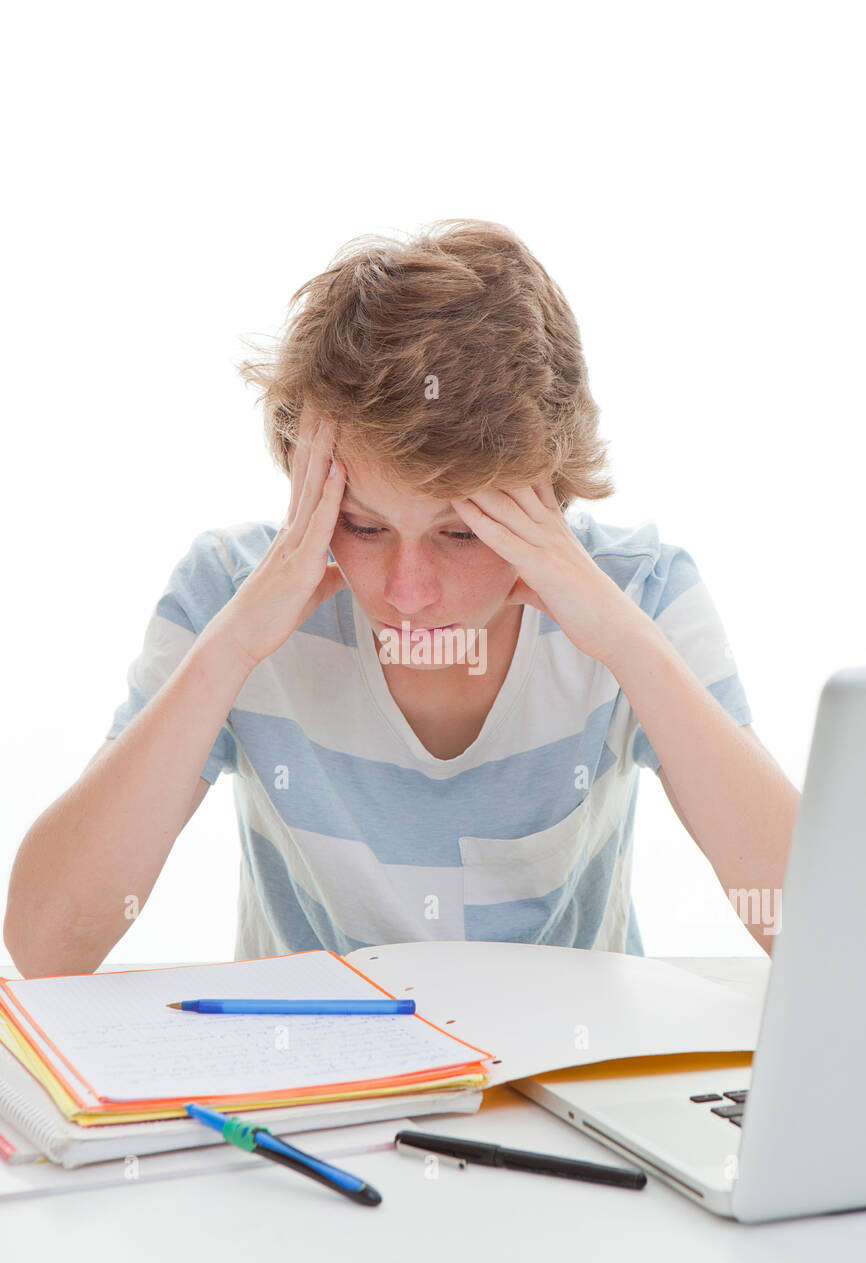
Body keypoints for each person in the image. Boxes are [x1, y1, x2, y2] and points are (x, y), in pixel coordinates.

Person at [3, 219, 799, 977]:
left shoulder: (640, 592)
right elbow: (46, 947)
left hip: (559, 1097)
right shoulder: (230, 594)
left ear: (551, 503)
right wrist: (233, 649)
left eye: (462, 535)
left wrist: (629, 647)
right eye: (362, 526)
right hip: (315, 1096)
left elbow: (818, 931)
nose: (408, 595)